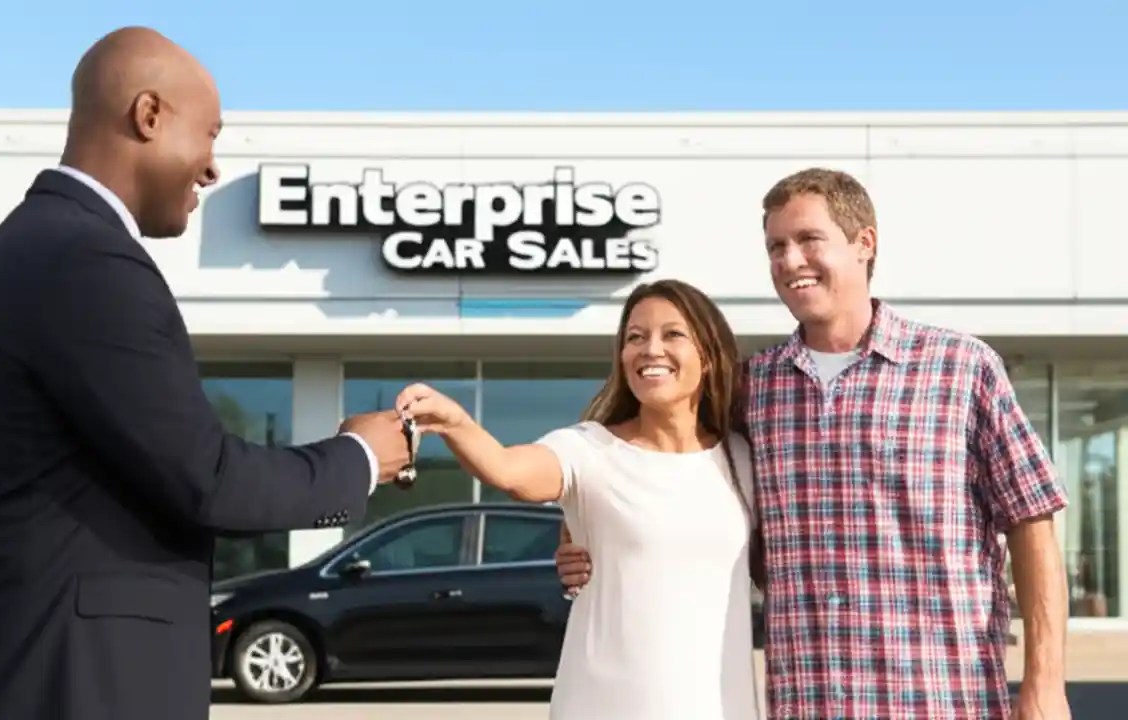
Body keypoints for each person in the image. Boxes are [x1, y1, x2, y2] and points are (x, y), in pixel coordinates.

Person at [0, 27, 409, 720]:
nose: (213, 169)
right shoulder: (85, 259)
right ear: (149, 115)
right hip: (56, 685)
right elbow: (208, 479)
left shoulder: (42, 245)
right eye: (210, 135)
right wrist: (360, 457)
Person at [556, 168, 1072, 720]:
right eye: (776, 247)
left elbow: (1031, 521)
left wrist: (1044, 684)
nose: (789, 260)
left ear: (864, 243)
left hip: (941, 698)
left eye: (808, 240)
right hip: (809, 702)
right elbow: (657, 460)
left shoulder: (961, 369)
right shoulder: (751, 389)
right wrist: (581, 533)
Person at [395, 279, 762, 719]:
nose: (650, 349)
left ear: (709, 355)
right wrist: (456, 423)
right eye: (635, 337)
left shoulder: (743, 458)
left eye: (672, 334)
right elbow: (507, 470)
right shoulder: (588, 449)